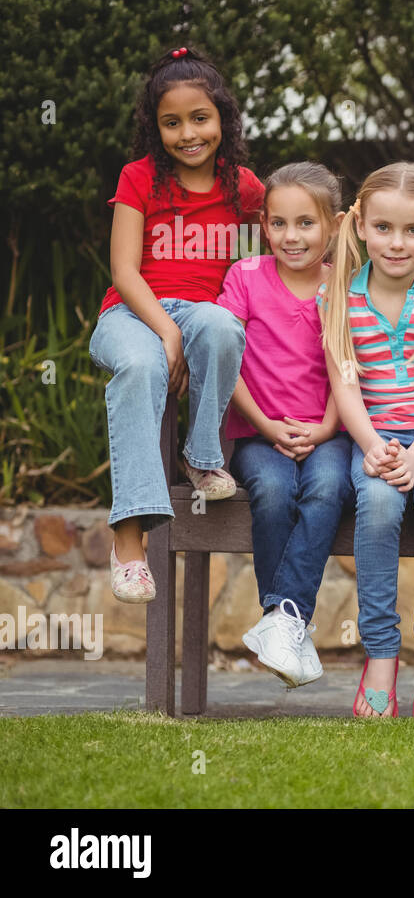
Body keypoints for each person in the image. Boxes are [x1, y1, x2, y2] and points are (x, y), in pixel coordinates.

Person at [89, 46, 263, 605]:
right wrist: (166, 331)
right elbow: (123, 269)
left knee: (220, 323)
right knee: (140, 365)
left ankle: (202, 456)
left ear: (223, 120)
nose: (187, 133)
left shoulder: (245, 188)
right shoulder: (139, 178)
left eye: (199, 118)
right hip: (131, 312)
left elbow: (287, 246)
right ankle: (129, 542)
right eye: (171, 122)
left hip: (198, 315)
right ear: (154, 127)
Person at [320, 163, 414, 719]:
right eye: (383, 227)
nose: (396, 242)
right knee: (380, 502)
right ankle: (381, 654)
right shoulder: (337, 294)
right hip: (373, 433)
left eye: (413, 230)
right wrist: (370, 444)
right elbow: (345, 383)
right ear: (360, 225)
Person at [218, 163, 353, 688]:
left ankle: (282, 621)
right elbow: (224, 364)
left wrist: (323, 428)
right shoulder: (246, 278)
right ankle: (289, 621)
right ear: (263, 223)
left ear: (335, 225)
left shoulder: (341, 287)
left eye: (305, 224)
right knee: (273, 491)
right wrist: (268, 425)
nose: (290, 236)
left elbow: (350, 364)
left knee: (326, 487)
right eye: (278, 223)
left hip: (328, 432)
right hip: (256, 432)